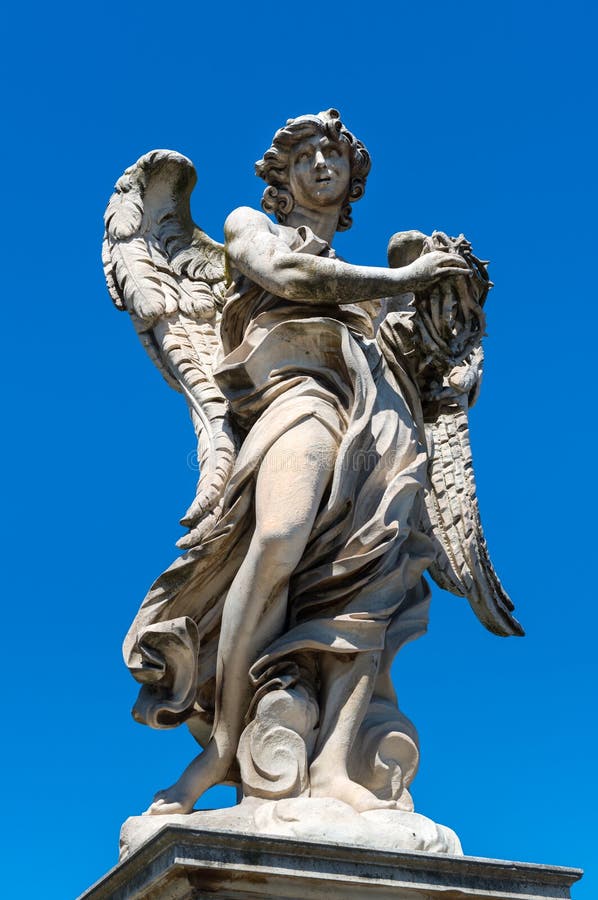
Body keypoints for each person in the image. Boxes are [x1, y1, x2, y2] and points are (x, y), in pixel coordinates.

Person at [125, 109, 470, 815]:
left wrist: (447, 315)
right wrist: (403, 277)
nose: (321, 164)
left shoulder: (379, 290)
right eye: (306, 154)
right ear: (280, 175)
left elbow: (427, 363)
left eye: (334, 155)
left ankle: (335, 762)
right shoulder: (249, 227)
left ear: (352, 180)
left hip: (380, 416)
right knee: (278, 537)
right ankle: (224, 747)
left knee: (374, 576)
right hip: (298, 395)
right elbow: (286, 275)